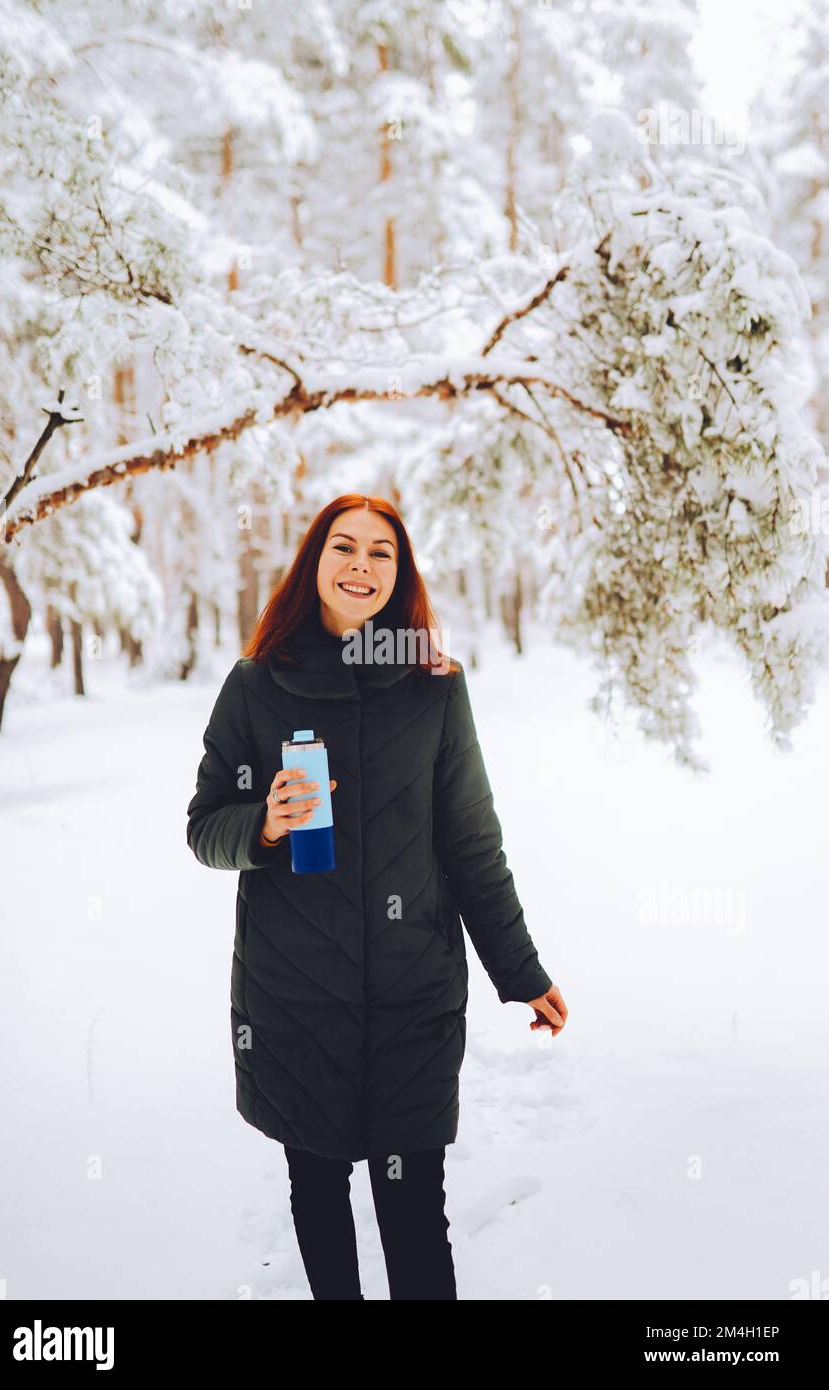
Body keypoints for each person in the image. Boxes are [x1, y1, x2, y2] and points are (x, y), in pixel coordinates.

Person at [186, 493, 568, 1299]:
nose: (361, 565)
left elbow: (470, 843)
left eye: (380, 553)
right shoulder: (257, 685)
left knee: (413, 1206)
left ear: (401, 574)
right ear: (314, 562)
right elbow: (202, 828)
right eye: (343, 547)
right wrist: (262, 824)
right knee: (319, 1194)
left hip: (412, 989)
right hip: (294, 992)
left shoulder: (435, 688)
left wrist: (521, 969)